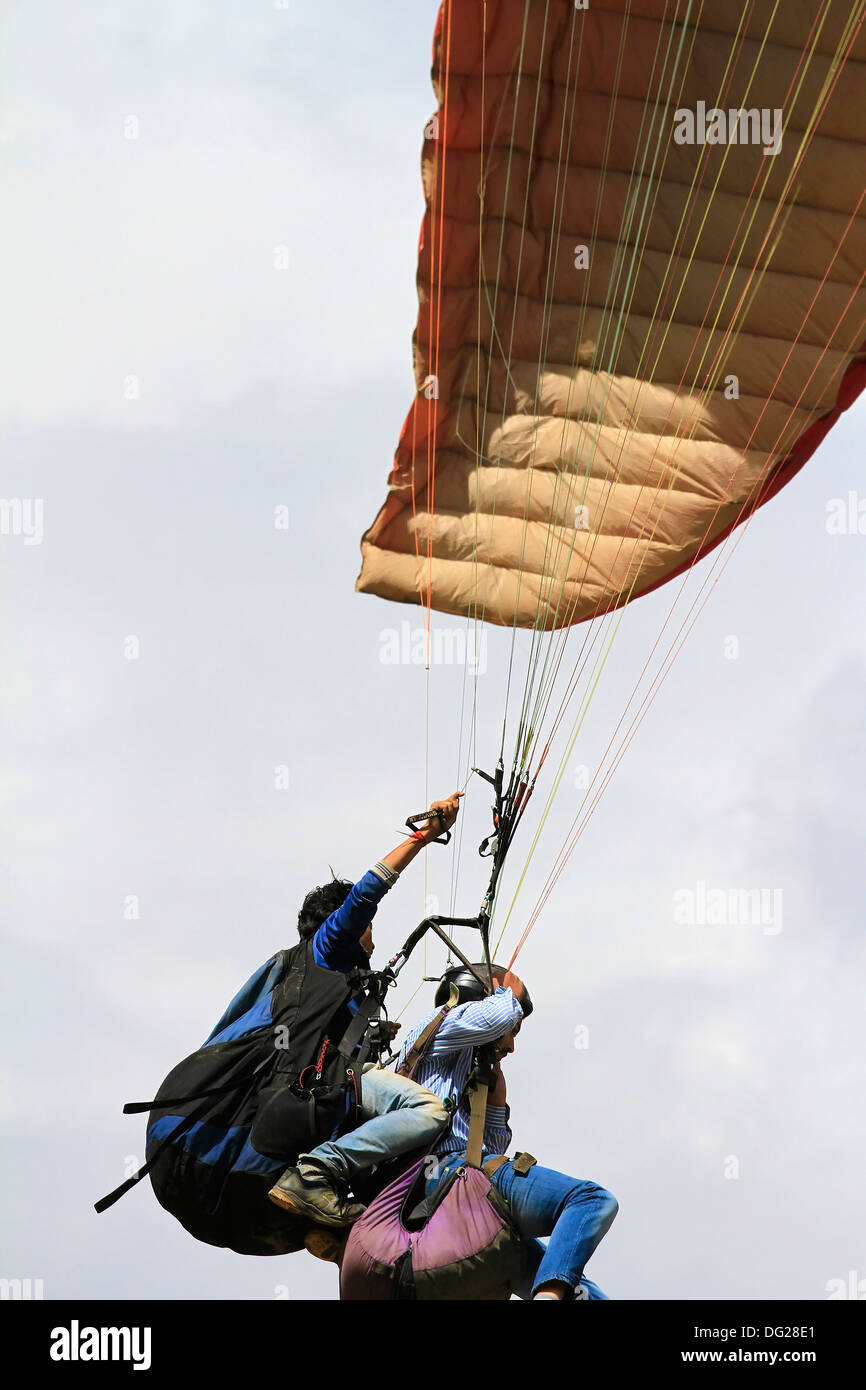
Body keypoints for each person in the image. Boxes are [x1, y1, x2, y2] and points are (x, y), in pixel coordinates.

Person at [266, 793, 462, 1233]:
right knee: (429, 1111)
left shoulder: (332, 976)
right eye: (366, 926)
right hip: (333, 1082)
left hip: (331, 1082)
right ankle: (315, 1172)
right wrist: (423, 836)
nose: (371, 932)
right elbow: (364, 895)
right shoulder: (329, 943)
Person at [396, 963, 618, 1300]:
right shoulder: (442, 1025)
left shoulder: (456, 1064)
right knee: (591, 1200)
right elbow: (495, 1016)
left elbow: (492, 1151)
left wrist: (496, 1105)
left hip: (461, 1177)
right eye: (513, 1031)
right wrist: (510, 993)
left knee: (584, 1292)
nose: (511, 1045)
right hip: (442, 1173)